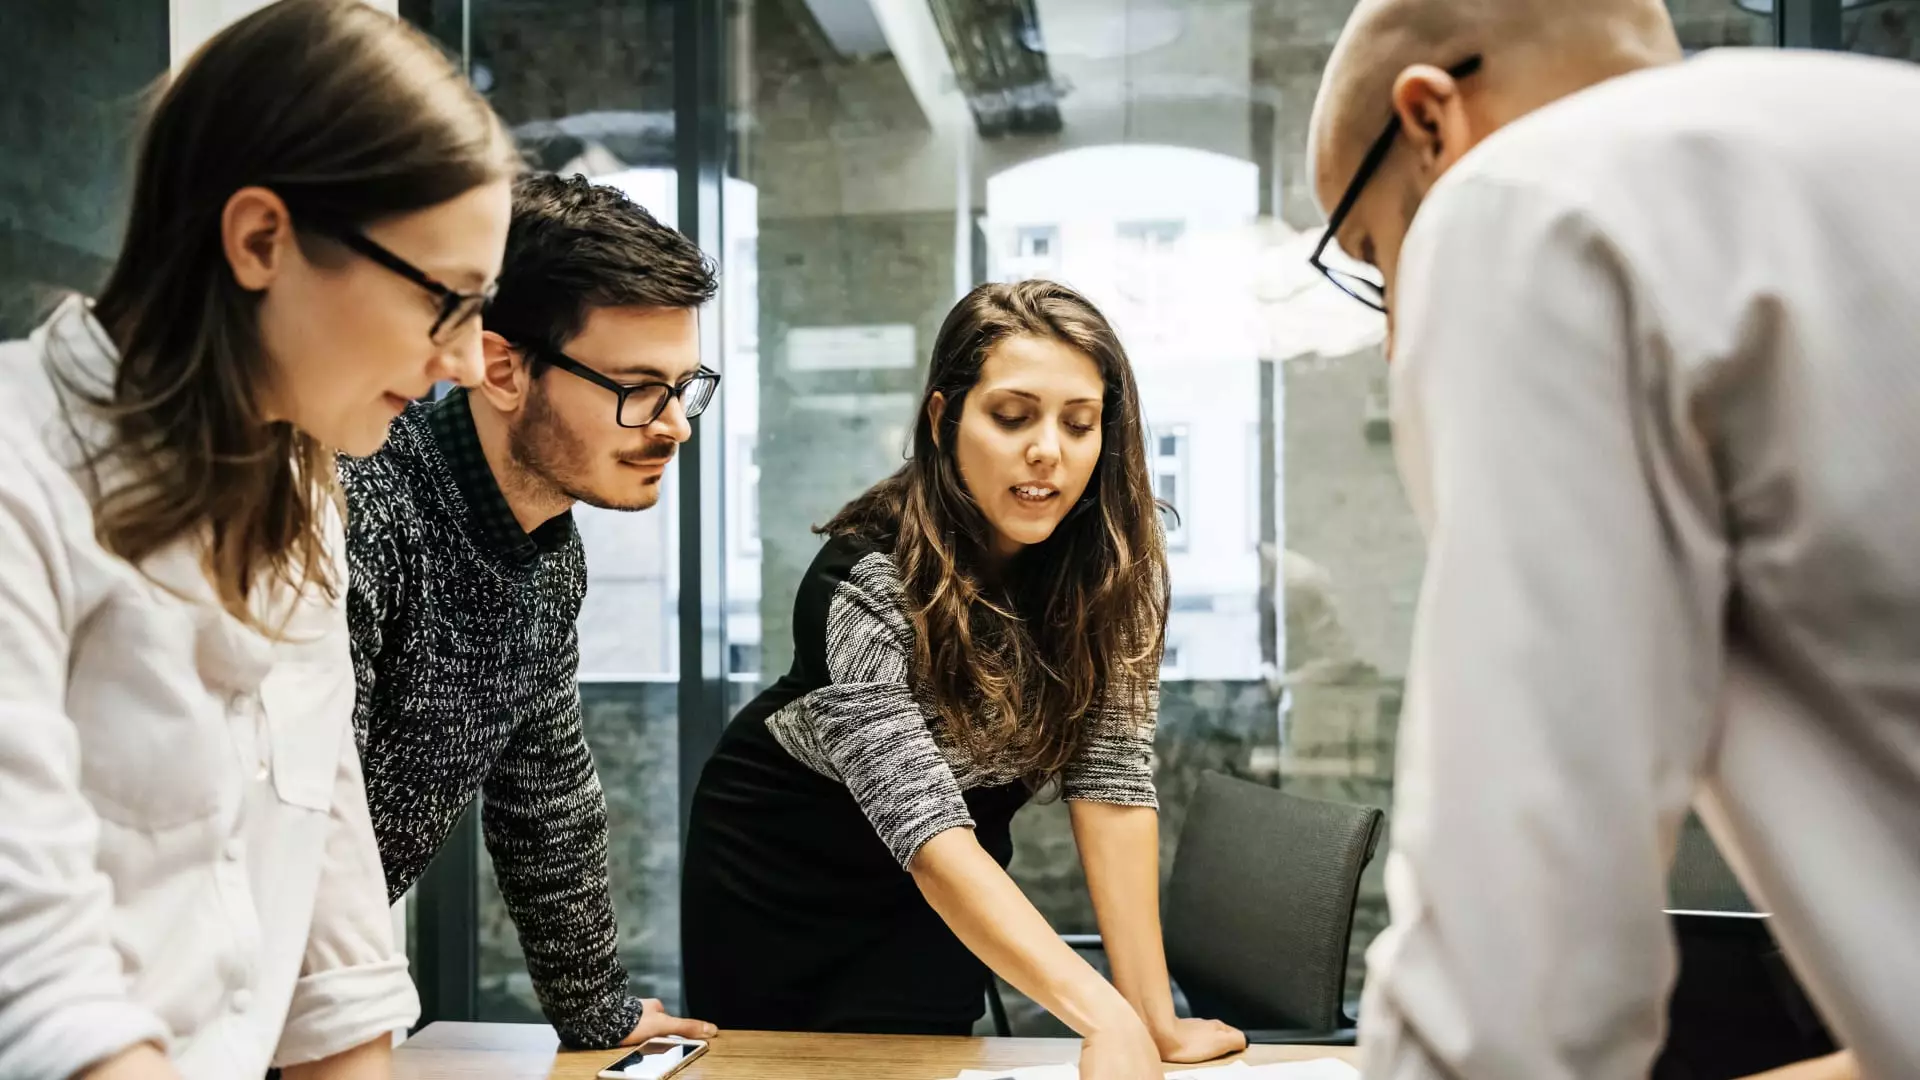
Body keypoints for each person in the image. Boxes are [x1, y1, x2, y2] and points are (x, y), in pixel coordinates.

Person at [1304, 1, 1920, 1077]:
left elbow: (1515, 1003)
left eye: (1372, 255)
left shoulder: (1529, 201)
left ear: (1432, 124)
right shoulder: (1877, 138)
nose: (1396, 329)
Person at [0, 2, 519, 1078]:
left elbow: (332, 909)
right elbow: (41, 990)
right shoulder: (20, 475)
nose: (467, 361)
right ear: (260, 240)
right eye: (445, 303)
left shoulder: (302, 489)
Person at [681, 281, 1245, 1080]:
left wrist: (1151, 1019)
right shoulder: (863, 579)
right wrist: (1098, 1014)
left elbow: (1112, 783)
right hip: (781, 863)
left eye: (1079, 423)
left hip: (952, 875)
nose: (1048, 448)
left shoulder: (1115, 575)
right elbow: (922, 823)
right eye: (1013, 417)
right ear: (944, 420)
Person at [340, 173, 720, 1050]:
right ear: (503, 368)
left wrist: (598, 1013)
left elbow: (543, 792)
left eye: (684, 386)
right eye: (637, 387)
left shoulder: (549, 551)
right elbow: (309, 836)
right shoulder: (368, 512)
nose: (675, 428)